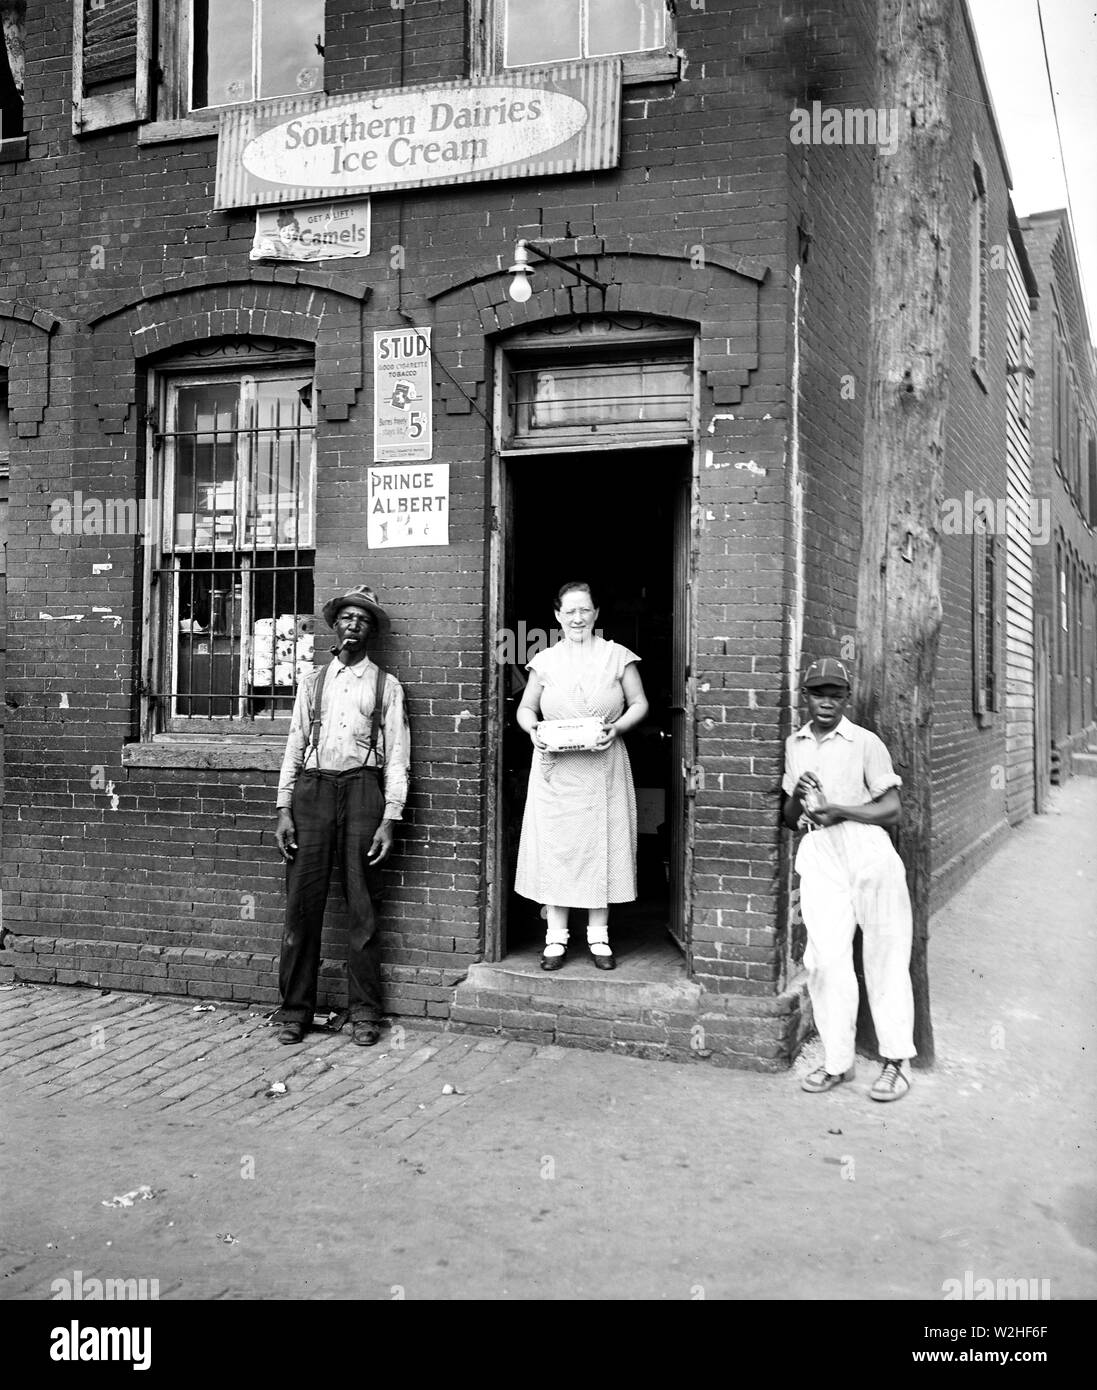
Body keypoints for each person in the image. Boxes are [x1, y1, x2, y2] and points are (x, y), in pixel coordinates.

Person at [273, 585, 410, 1047]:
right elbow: (294, 745)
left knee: (362, 908)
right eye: (347, 617)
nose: (354, 625)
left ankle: (365, 1013)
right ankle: (294, 1011)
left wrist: (390, 817)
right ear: (335, 626)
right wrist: (283, 809)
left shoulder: (386, 686)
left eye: (364, 620)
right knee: (302, 907)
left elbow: (397, 759)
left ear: (371, 631)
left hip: (362, 791)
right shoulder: (313, 682)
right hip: (312, 791)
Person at [781, 658, 915, 1102]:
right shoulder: (795, 743)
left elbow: (892, 810)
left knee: (886, 954)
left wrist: (841, 809)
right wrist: (800, 794)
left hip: (867, 849)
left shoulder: (865, 742)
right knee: (824, 960)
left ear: (846, 699)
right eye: (818, 693)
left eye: (835, 694)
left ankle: (896, 1062)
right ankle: (838, 1061)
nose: (826, 702)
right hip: (819, 852)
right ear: (807, 696)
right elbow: (787, 819)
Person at [515, 582, 649, 971]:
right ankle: (555, 938)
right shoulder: (544, 661)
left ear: (595, 614)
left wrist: (618, 727)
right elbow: (526, 709)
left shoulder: (617, 656)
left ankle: (598, 937)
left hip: (602, 766)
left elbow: (641, 703)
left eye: (585, 610)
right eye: (570, 611)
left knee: (599, 847)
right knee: (558, 850)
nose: (577, 618)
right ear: (557, 615)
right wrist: (533, 729)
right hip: (556, 772)